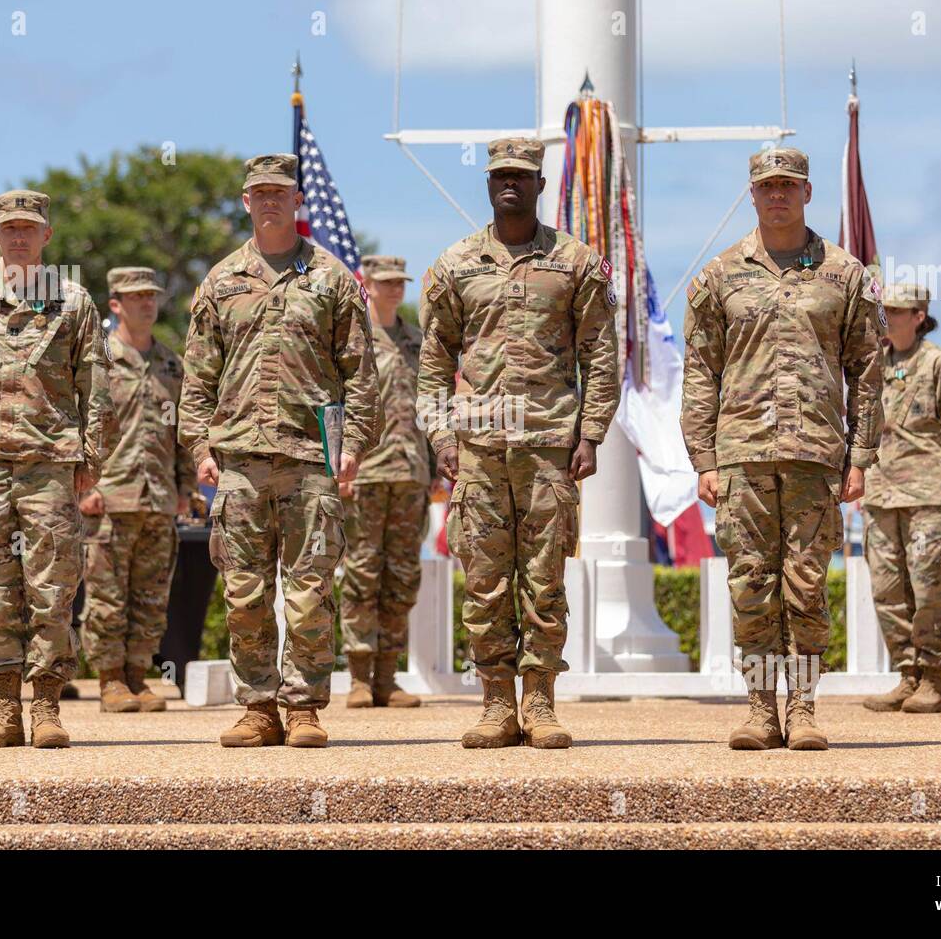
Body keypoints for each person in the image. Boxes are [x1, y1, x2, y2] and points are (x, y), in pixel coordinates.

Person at [418, 137, 619, 749]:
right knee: (484, 578)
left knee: (544, 576)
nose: (511, 184)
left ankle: (540, 700)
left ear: (539, 185)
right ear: (487, 184)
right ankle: (496, 702)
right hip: (478, 449)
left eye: (522, 176)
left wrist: (592, 432)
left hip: (548, 444)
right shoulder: (455, 264)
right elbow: (433, 360)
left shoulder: (576, 262)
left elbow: (602, 354)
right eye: (500, 175)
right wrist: (439, 432)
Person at [680, 147, 883, 751]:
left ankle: (804, 709)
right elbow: (700, 373)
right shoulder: (719, 276)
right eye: (767, 186)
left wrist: (860, 457)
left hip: (816, 454)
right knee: (750, 583)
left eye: (789, 186)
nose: (778, 196)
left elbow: (866, 369)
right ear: (751, 193)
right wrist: (704, 458)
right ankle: (760, 709)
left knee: (806, 581)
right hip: (741, 454)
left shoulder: (845, 274)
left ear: (808, 192)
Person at [180, 153, 381, 749]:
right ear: (246, 202)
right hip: (239, 460)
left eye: (280, 192)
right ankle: (258, 706)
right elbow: (198, 379)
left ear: (298, 201)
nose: (269, 201)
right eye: (259, 193)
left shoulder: (332, 278)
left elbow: (360, 374)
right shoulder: (221, 281)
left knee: (310, 590)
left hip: (310, 460)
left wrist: (352, 446)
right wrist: (200, 448)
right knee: (242, 592)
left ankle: (304, 709)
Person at [0, 189, 114, 749]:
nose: (19, 237)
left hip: (51, 464)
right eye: (9, 228)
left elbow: (96, 388)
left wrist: (91, 460)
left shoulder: (74, 303)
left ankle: (48, 706)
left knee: (53, 585)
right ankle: (5, 706)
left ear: (47, 236)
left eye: (29, 228)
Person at [860, 283, 941, 714]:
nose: (888, 318)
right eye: (884, 311)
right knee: (887, 590)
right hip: (881, 494)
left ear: (919, 316)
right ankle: (907, 674)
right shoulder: (875, 364)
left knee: (931, 586)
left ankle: (932, 677)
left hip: (932, 494)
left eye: (896, 311)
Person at [78, 266, 197, 714]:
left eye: (152, 296)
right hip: (111, 498)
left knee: (151, 596)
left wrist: (186, 487)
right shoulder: (99, 361)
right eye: (136, 297)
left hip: (159, 498)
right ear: (115, 305)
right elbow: (82, 426)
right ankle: (110, 680)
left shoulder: (171, 363)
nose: (146, 303)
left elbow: (183, 432)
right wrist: (86, 483)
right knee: (108, 597)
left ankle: (138, 675)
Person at [340, 255, 430, 709]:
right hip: (366, 474)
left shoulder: (417, 342)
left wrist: (436, 469)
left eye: (400, 283)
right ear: (367, 284)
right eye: (386, 283)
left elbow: (433, 410)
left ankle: (386, 677)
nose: (395, 290)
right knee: (361, 573)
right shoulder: (354, 344)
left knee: (402, 575)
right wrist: (338, 466)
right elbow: (336, 408)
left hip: (411, 473)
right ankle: (358, 674)